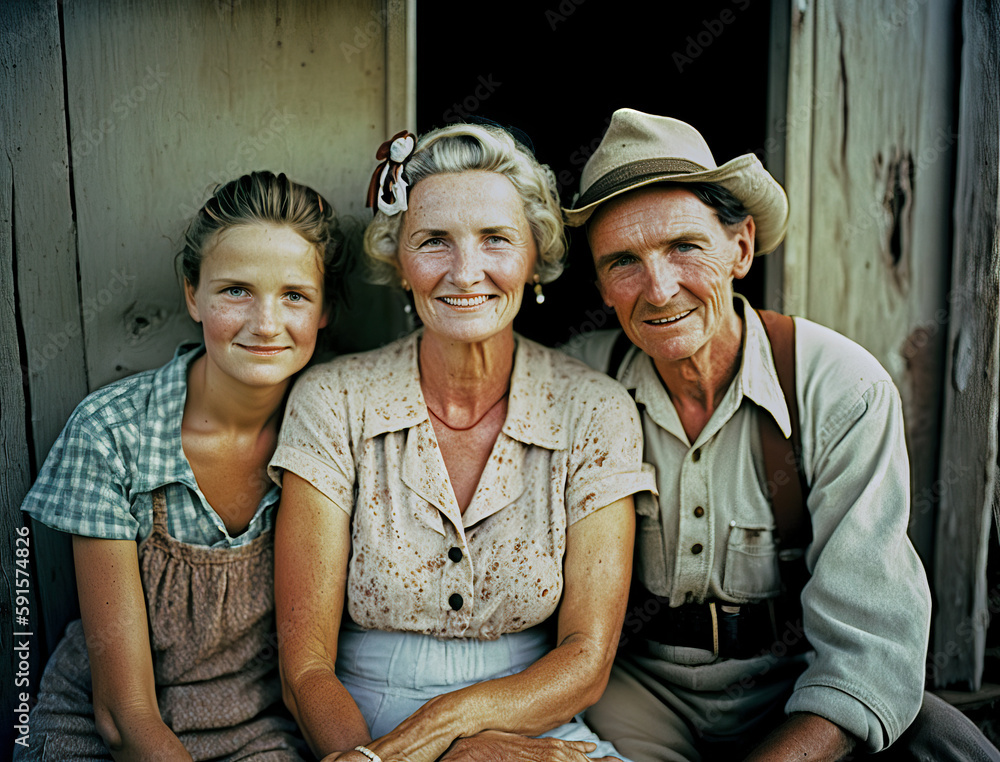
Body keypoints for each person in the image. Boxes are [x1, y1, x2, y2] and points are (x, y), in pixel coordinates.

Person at [562, 108, 1000, 761]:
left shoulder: (842, 388)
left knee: (951, 745)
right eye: (623, 261)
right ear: (599, 283)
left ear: (740, 249)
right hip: (638, 692)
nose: (658, 288)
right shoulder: (575, 383)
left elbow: (868, 654)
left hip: (795, 682)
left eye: (684, 247)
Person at [269, 123, 656, 762]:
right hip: (358, 724)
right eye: (433, 242)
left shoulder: (594, 409)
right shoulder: (333, 400)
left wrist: (455, 737)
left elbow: (586, 661)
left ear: (536, 259)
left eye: (497, 240)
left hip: (534, 721)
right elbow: (305, 668)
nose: (465, 271)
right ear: (399, 262)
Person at [18, 170, 345, 761]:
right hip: (104, 736)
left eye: (294, 295)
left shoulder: (334, 435)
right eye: (236, 291)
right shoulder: (112, 433)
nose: (266, 323)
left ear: (323, 311)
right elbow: (124, 716)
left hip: (259, 737)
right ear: (192, 294)